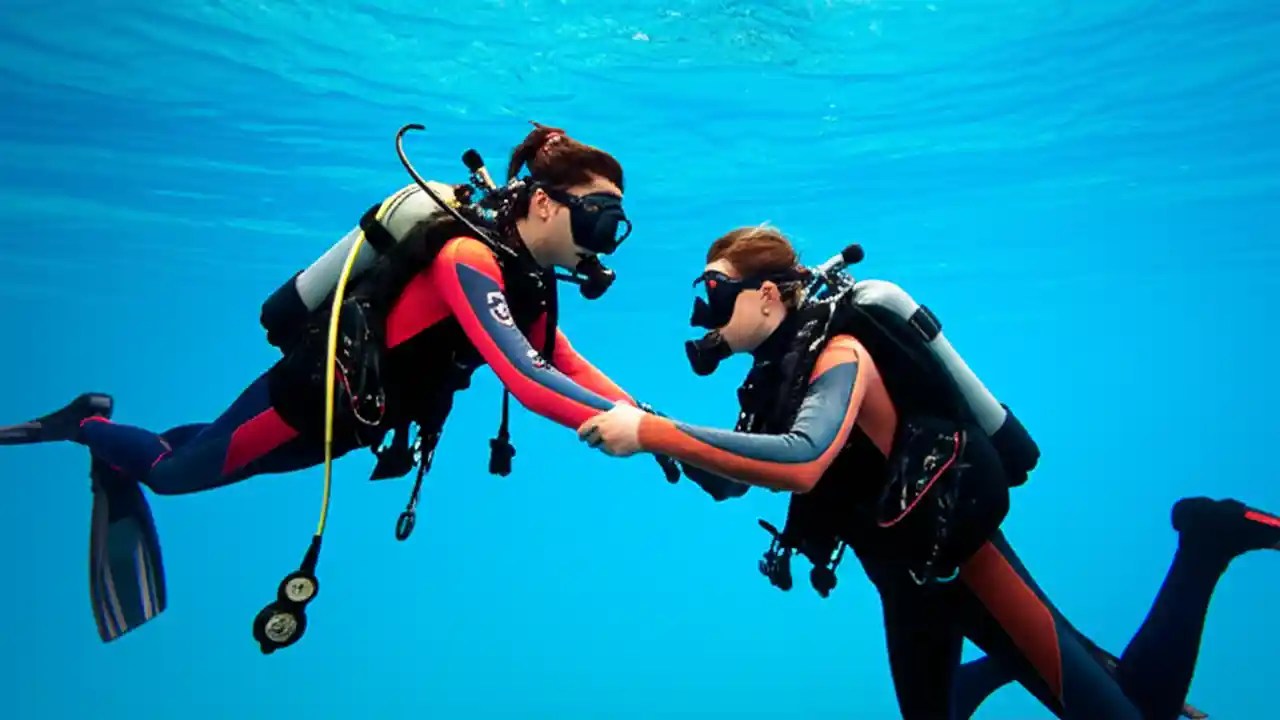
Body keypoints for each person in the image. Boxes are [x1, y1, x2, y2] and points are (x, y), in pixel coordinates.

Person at [1, 122, 670, 652]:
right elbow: (528, 378)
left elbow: (560, 360)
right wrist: (661, 436)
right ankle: (86, 425)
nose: (606, 241)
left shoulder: (527, 277)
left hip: (349, 424)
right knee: (174, 476)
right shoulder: (466, 255)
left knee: (217, 451)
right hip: (302, 404)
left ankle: (127, 438)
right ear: (545, 203)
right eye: (599, 218)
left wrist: (648, 417)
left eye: (617, 225)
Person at [577, 225, 1277, 719]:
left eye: (715, 290)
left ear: (767, 296)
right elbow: (738, 476)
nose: (704, 313)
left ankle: (1203, 542)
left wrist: (653, 433)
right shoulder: (773, 379)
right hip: (899, 574)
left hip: (961, 563)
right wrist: (651, 429)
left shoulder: (839, 352)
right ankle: (997, 665)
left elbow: (803, 459)